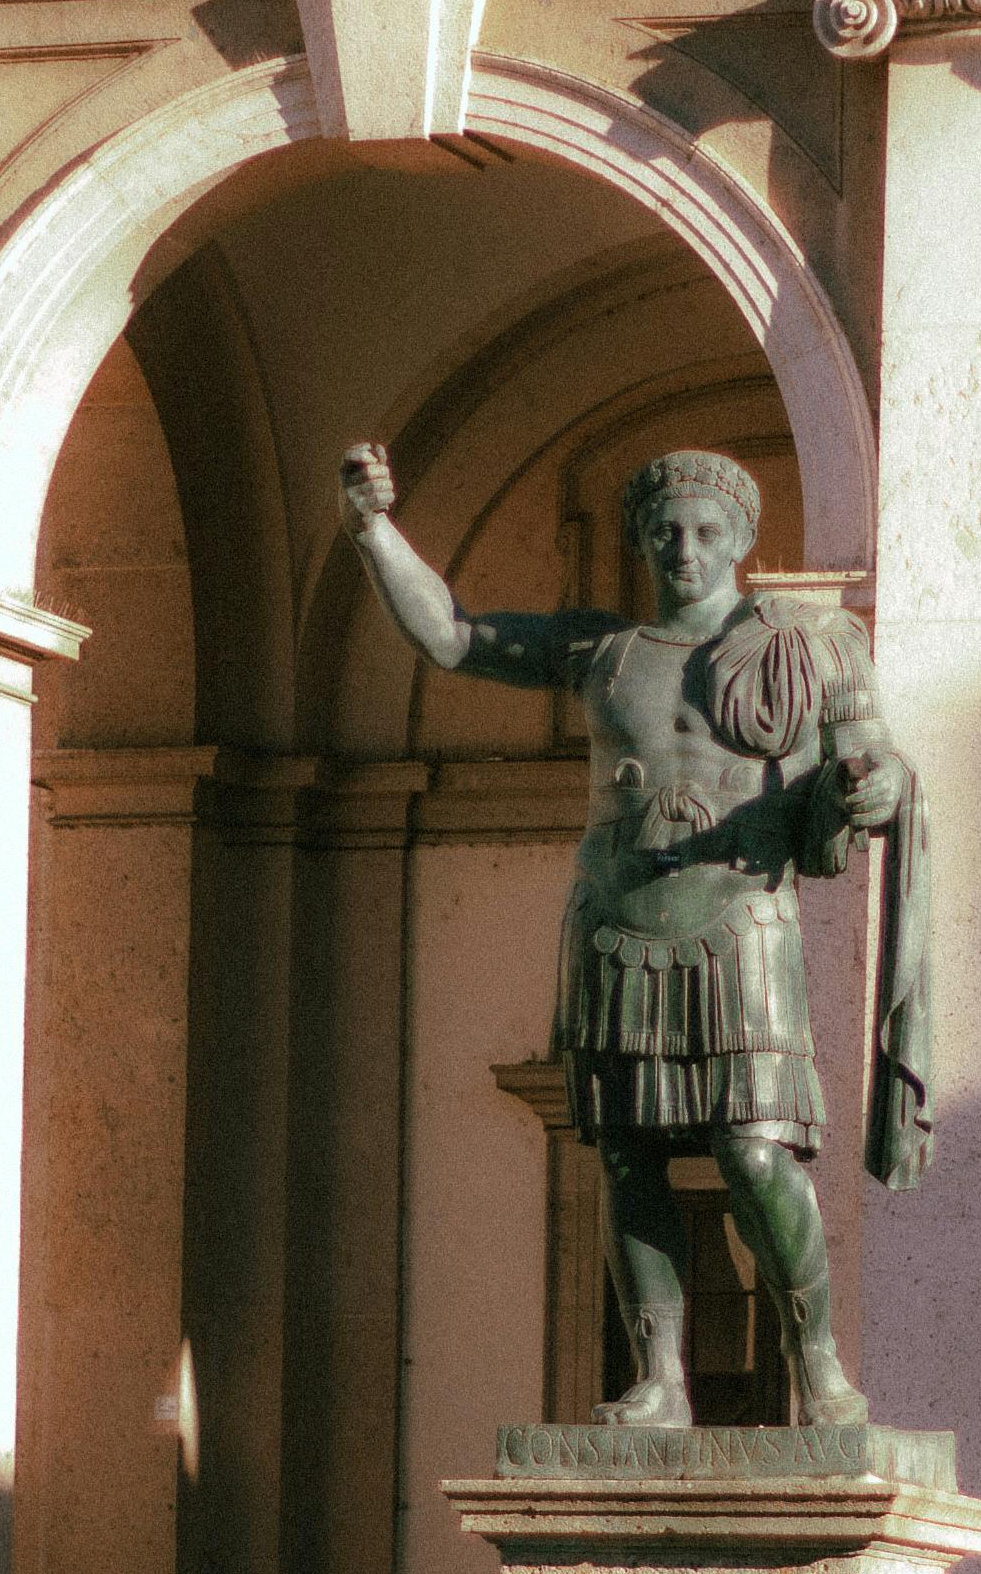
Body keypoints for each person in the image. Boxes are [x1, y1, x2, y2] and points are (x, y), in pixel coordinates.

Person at [339, 435, 930, 1429]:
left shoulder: (809, 645)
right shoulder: (602, 651)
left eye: (704, 532)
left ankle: (817, 1362)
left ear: (739, 540)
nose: (683, 550)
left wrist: (870, 787)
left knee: (753, 1152)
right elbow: (451, 635)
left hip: (740, 918)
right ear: (643, 543)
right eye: (665, 533)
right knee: (627, 1155)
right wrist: (372, 529)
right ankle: (659, 1378)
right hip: (615, 920)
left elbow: (871, 757)